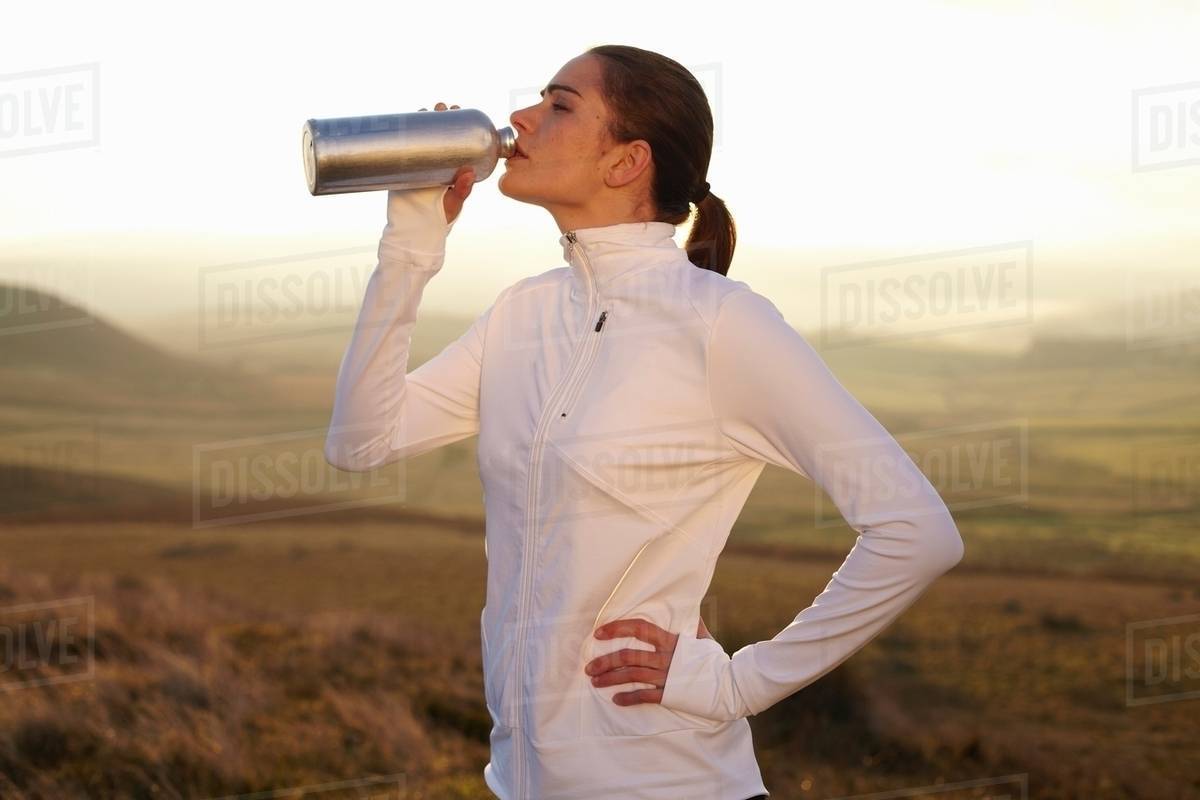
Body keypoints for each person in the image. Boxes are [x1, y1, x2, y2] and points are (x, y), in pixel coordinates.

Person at [325, 44, 964, 800]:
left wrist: (738, 684)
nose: (521, 120)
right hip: (521, 783)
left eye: (560, 106)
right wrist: (411, 242)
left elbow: (916, 531)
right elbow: (361, 441)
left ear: (627, 162)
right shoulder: (522, 315)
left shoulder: (722, 325)